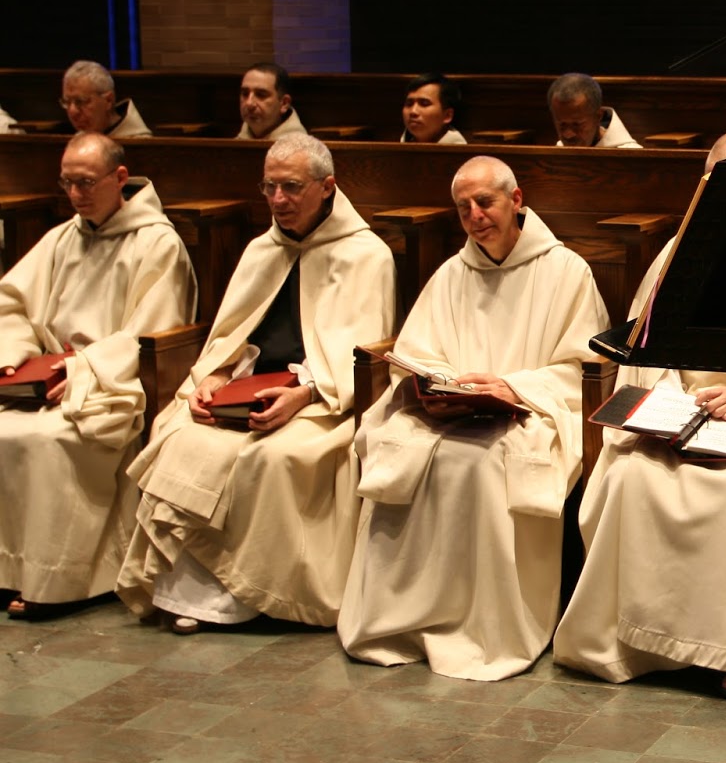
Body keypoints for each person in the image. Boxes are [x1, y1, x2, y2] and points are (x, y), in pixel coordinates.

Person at [338, 157, 608, 681]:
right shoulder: (451, 274)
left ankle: (489, 631)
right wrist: (440, 386)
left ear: (517, 199)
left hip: (528, 414)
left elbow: (583, 367)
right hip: (455, 414)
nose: (475, 215)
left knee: (483, 468)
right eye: (463, 207)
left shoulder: (566, 270)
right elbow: (418, 351)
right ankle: (401, 618)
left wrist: (515, 387)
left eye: (485, 202)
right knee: (406, 449)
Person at [117, 133, 395, 634]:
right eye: (269, 188)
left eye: (290, 187)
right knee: (178, 431)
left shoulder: (365, 255)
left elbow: (363, 355)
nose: (278, 201)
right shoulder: (260, 249)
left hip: (322, 400)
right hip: (247, 386)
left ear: (327, 186)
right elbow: (231, 334)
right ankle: (189, 595)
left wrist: (303, 394)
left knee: (272, 458)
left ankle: (247, 597)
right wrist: (215, 377)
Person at [553, 129, 726, 703]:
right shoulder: (675, 255)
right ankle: (647, 647)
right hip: (681, 418)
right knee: (633, 479)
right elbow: (643, 352)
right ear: (704, 182)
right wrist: (669, 409)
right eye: (721, 175)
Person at [0, 133, 196, 619]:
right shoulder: (64, 236)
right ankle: (8, 574)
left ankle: (55, 581)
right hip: (48, 376)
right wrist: (15, 356)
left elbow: (153, 331)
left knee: (45, 442)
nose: (75, 194)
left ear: (120, 178)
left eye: (86, 182)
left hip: (109, 385)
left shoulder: (157, 242)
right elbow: (13, 305)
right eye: (67, 183)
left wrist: (85, 369)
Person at [60, 60, 152, 138]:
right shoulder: (78, 139)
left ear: (109, 100)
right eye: (66, 102)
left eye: (80, 101)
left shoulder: (139, 143)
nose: (72, 112)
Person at [547, 72, 639, 148]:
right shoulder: (556, 153)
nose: (568, 134)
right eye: (562, 124)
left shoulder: (633, 156)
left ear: (598, 116)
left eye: (577, 124)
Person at [236, 62, 307, 141]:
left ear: (284, 103)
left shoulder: (302, 148)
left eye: (261, 95)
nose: (249, 103)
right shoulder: (232, 146)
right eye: (245, 94)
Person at [400, 72, 467, 144]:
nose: (413, 111)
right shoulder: (401, 145)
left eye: (424, 104)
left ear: (447, 115)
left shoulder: (460, 152)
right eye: (409, 104)